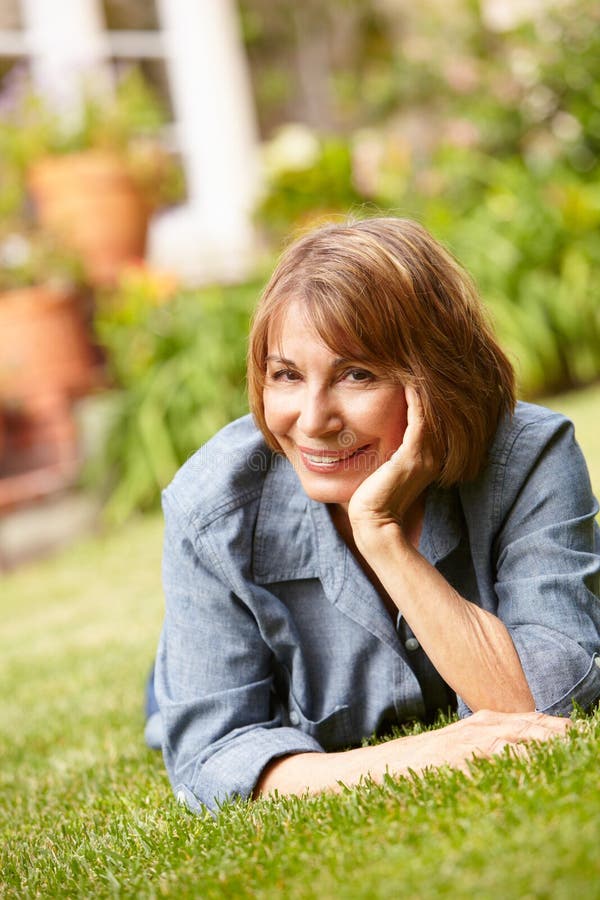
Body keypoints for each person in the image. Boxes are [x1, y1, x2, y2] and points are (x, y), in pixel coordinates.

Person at [152, 216, 600, 813]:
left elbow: (544, 705)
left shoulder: (527, 460)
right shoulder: (211, 508)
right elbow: (211, 760)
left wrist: (382, 536)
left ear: (436, 380)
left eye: (356, 374)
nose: (312, 420)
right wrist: (436, 754)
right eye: (286, 375)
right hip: (198, 668)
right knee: (167, 700)